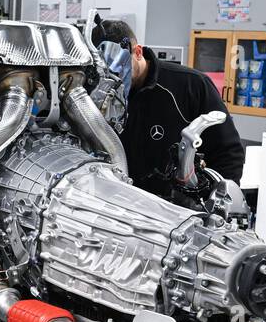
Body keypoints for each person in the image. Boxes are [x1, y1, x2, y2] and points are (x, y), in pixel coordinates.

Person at [100, 19, 245, 197]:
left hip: (176, 210)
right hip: (117, 204)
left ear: (138, 52)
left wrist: (220, 201)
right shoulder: (97, 92)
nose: (114, 80)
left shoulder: (191, 85)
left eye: (119, 69)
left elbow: (228, 152)